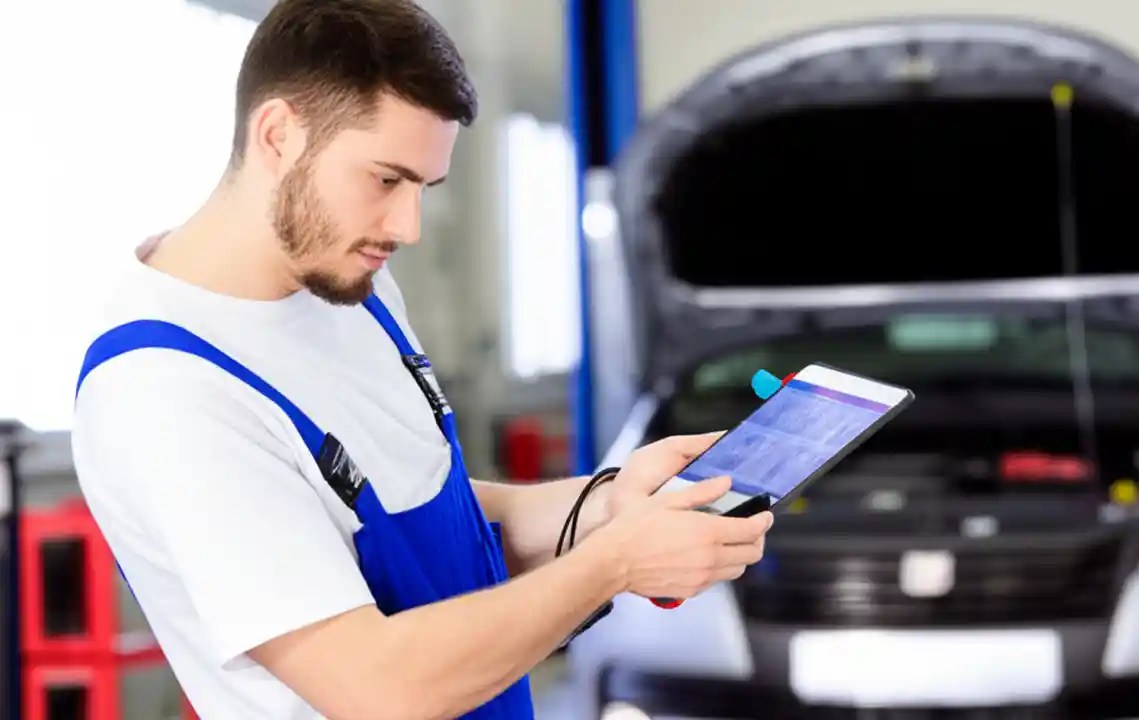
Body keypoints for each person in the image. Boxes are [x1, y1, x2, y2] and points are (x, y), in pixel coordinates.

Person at [68, 1, 774, 718]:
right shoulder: (167, 392)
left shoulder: (353, 290)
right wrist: (615, 561)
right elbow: (377, 688)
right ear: (278, 134)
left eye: (423, 190)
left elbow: (435, 516)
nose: (406, 227)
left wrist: (606, 503)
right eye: (384, 179)